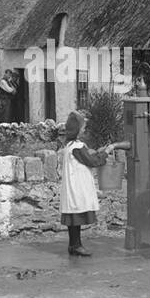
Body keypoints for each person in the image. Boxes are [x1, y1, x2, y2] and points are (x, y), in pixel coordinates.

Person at [59, 110, 111, 257]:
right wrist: (106, 152)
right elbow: (92, 161)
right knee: (76, 214)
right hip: (78, 186)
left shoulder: (70, 146)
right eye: (83, 127)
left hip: (72, 184)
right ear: (78, 130)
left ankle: (73, 244)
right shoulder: (77, 147)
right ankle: (76, 245)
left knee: (73, 216)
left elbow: (86, 156)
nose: (84, 130)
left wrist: (95, 152)